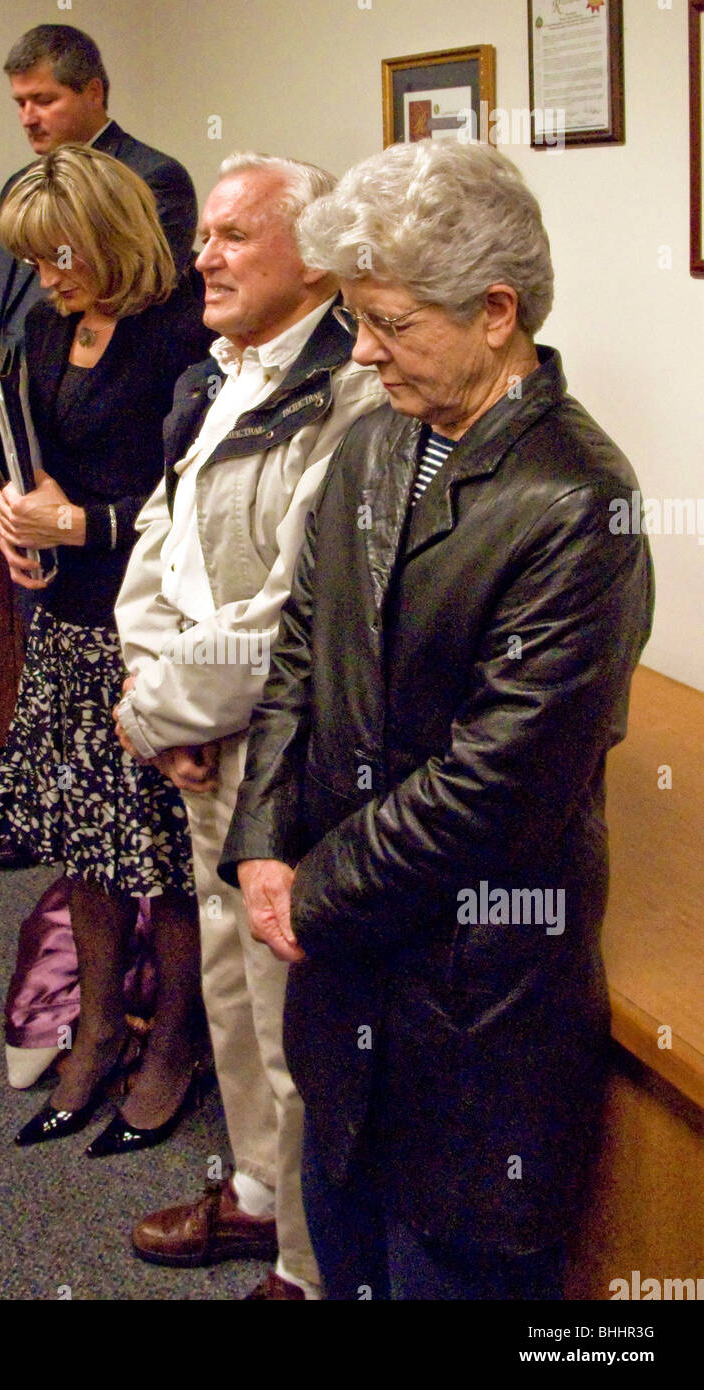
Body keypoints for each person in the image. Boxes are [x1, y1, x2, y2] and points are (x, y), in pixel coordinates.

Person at [218, 140, 655, 1300]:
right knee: (348, 1247)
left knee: (447, 1270)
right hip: (349, 973)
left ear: (496, 311)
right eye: (357, 315)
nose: (362, 349)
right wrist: (261, 840)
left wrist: (308, 893)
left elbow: (496, 786)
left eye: (391, 322)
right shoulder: (374, 442)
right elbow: (299, 661)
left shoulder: (578, 503)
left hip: (477, 1001)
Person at [113, 153, 386, 1299]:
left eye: (231, 236)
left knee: (291, 1027)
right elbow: (156, 553)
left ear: (314, 256)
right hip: (192, 749)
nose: (201, 258)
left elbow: (289, 615)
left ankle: (311, 1266)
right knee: (228, 993)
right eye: (204, 235)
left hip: (276, 757)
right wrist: (150, 705)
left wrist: (160, 709)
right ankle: (262, 1202)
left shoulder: (352, 392)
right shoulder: (219, 370)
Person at [0, 145, 213, 1155]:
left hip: (152, 627)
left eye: (61, 256)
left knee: (164, 858)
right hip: (67, 628)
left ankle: (172, 1045)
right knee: (87, 846)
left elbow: (198, 507)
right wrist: (10, 515)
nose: (47, 279)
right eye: (33, 261)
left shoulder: (184, 332)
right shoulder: (45, 323)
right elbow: (28, 460)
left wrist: (86, 528)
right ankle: (97, 1030)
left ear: (115, 235)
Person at [0, 22, 198, 527]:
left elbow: (144, 297)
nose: (28, 118)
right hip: (27, 429)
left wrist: (78, 526)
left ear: (93, 92)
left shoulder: (152, 175)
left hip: (114, 437)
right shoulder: (21, 186)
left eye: (42, 100)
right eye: (19, 103)